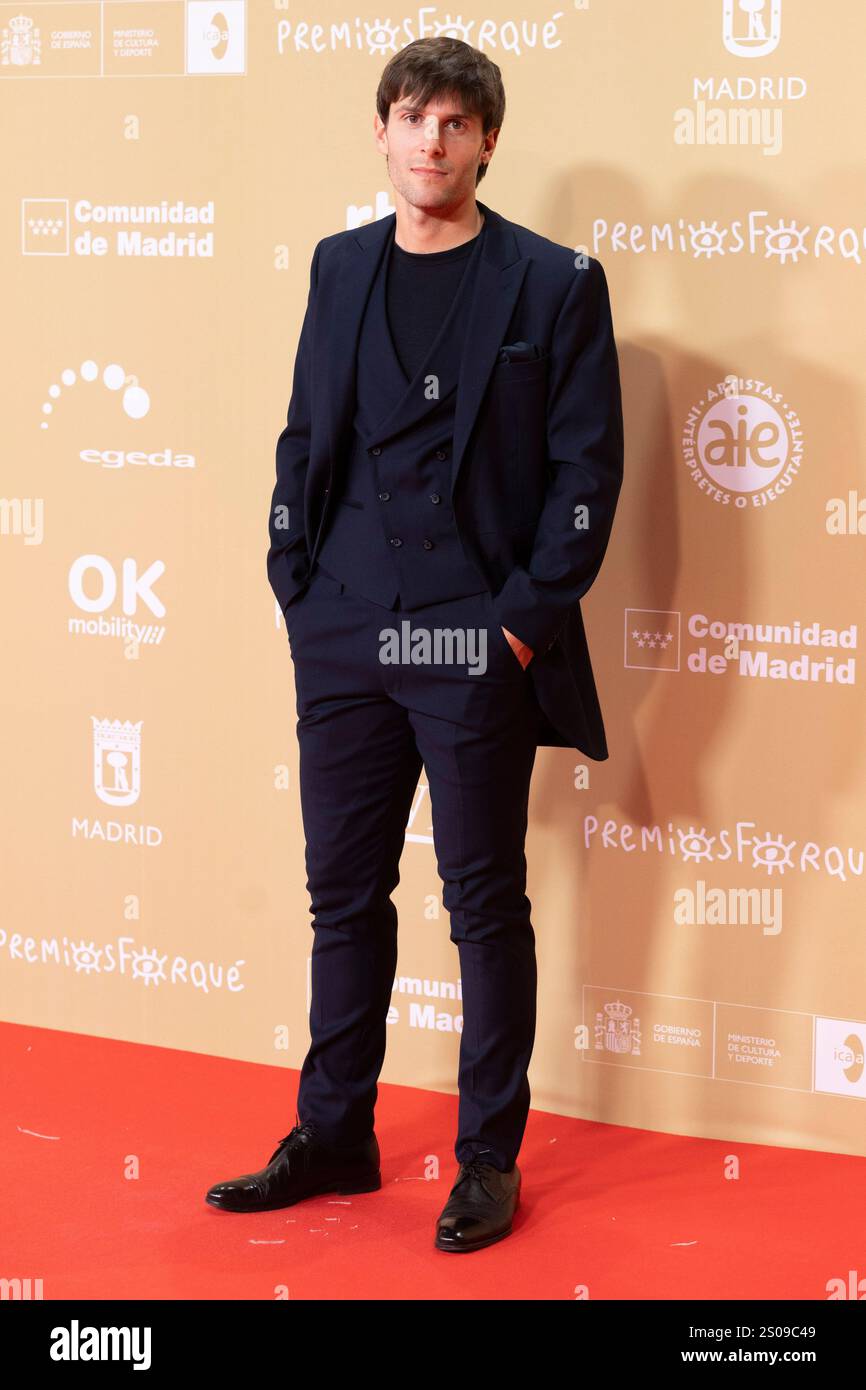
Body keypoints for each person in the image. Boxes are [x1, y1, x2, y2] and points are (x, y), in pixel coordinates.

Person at [206, 35, 624, 1254]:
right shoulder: (339, 269)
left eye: (453, 121)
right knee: (343, 893)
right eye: (411, 117)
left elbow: (584, 472)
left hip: (468, 634)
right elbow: (304, 437)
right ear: (380, 134)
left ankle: (486, 1154)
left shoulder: (550, 284)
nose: (430, 140)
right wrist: (294, 579)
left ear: (486, 140)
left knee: (483, 902)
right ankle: (334, 1130)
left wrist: (516, 630)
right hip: (339, 624)